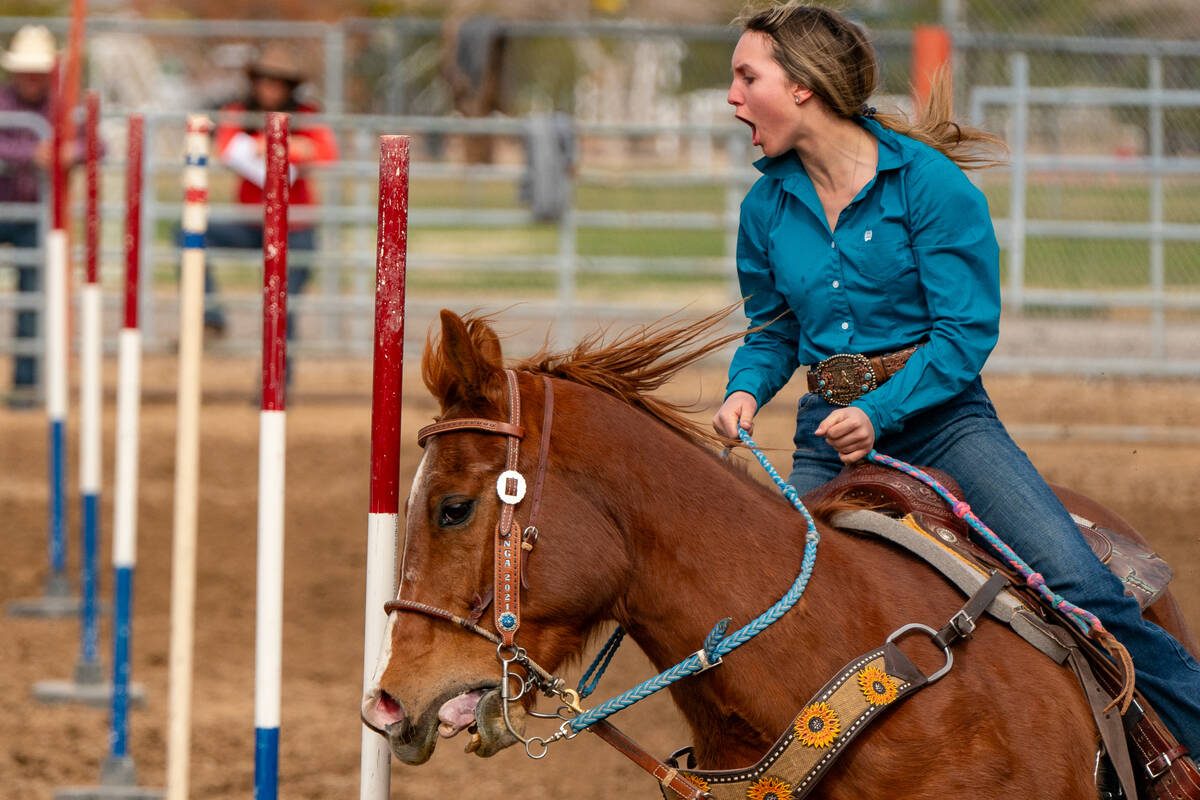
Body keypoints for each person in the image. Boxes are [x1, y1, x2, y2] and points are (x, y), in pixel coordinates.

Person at [711, 2, 1200, 755]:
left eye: (748, 76)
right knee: (773, 614)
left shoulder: (930, 187)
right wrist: (746, 388)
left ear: (803, 85)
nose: (733, 96)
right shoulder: (766, 204)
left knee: (1079, 588)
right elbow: (774, 327)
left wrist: (881, 412)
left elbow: (963, 333)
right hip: (828, 435)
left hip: (945, 423)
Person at [207, 43, 338, 379]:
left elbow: (325, 151)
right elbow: (225, 146)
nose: (270, 87)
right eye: (265, 80)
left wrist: (268, 143)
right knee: (188, 233)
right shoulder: (239, 109)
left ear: (290, 86)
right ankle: (211, 316)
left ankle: (277, 380)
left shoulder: (306, 113)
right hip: (252, 223)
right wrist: (286, 146)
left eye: (278, 82)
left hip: (296, 228)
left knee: (284, 305)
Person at [0, 25, 58, 407]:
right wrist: (32, 154)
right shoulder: (3, 101)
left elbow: (95, 143)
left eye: (39, 70)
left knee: (34, 298)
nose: (32, 78)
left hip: (35, 215)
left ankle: (24, 385)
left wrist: (68, 152)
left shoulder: (62, 105)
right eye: (26, 70)